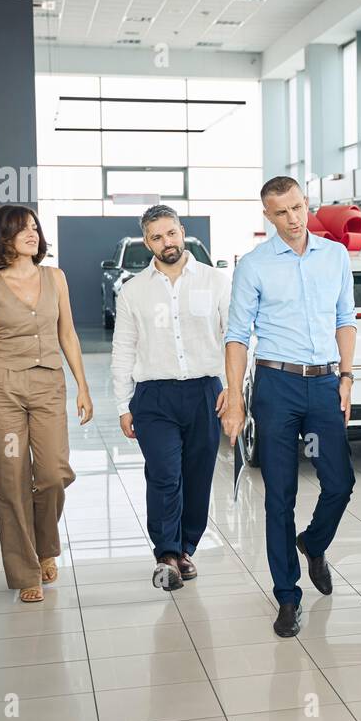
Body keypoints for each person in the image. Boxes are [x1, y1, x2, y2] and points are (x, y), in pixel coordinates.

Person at [222, 176, 356, 638]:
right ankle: (287, 596)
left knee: (339, 484)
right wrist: (235, 398)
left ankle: (313, 543)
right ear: (268, 216)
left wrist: (347, 377)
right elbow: (237, 335)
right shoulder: (254, 266)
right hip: (276, 385)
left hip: (323, 385)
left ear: (307, 204)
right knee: (280, 496)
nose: (293, 218)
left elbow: (345, 319)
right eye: (281, 212)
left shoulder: (335, 256)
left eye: (298, 207)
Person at [0, 205, 93, 603]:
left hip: (48, 386)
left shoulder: (56, 278)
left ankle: (45, 545)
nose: (33, 234)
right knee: (11, 480)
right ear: (5, 236)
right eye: (23, 229)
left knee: (54, 473)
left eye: (35, 228)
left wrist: (83, 387)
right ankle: (26, 572)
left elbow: (67, 334)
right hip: (2, 393)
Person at [111, 205, 230, 591]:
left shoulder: (215, 281)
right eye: (157, 237)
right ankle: (166, 553)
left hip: (204, 392)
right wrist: (122, 405)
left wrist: (233, 390)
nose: (167, 242)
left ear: (182, 231)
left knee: (198, 476)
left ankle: (185, 549)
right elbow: (123, 350)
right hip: (154, 397)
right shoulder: (133, 291)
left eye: (171, 233)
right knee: (164, 474)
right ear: (148, 243)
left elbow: (235, 339)